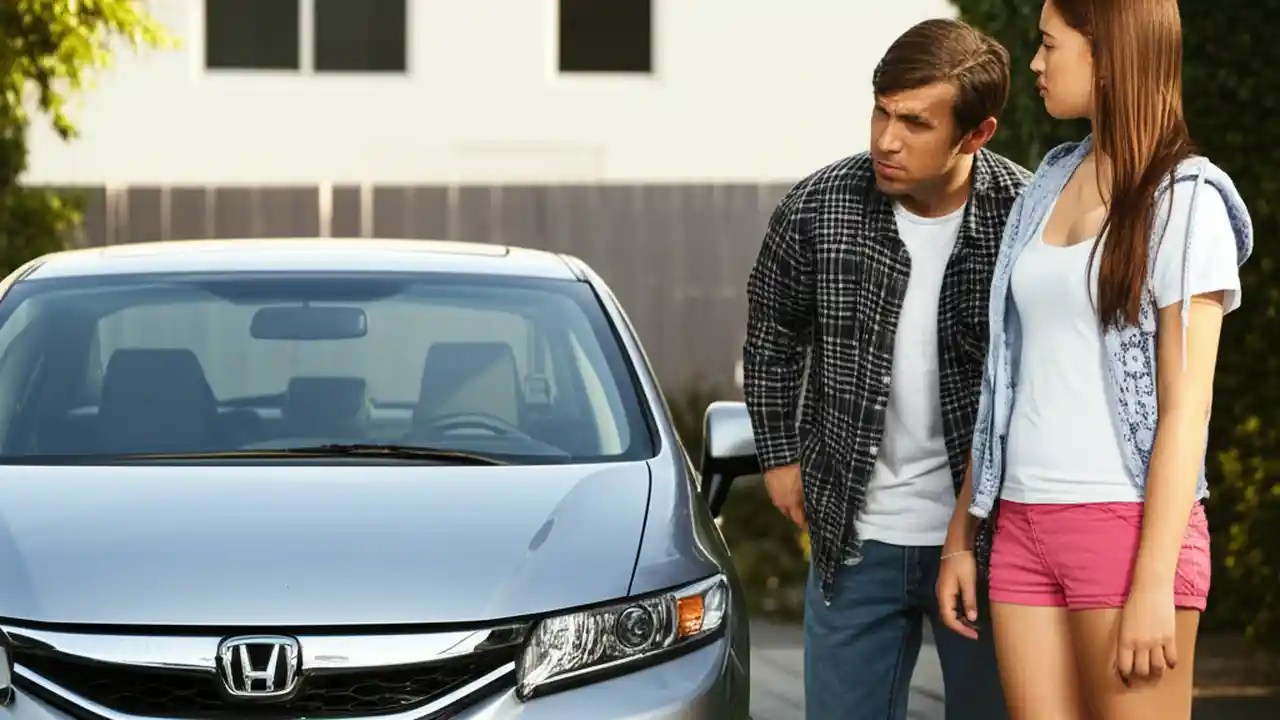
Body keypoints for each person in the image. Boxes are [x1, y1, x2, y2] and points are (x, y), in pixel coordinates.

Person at [936, 1, 1253, 719]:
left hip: (1127, 529)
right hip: (1021, 525)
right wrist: (964, 535)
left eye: (1050, 45)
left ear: (1106, 56)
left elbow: (1187, 411)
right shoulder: (1047, 182)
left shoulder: (1187, 202)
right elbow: (1004, 379)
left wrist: (1154, 582)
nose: (1036, 64)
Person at [742, 18, 1030, 720]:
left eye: (914, 122)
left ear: (976, 134)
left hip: (988, 543)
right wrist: (779, 457)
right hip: (855, 538)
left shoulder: (1023, 218)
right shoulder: (818, 207)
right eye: (881, 112)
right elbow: (772, 334)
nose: (886, 140)